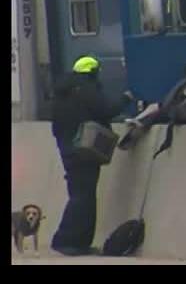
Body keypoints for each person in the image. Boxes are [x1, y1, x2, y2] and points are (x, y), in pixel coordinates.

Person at [50, 55, 127, 256]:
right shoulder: (87, 90)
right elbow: (106, 110)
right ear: (92, 73)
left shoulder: (61, 92)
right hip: (84, 151)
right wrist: (126, 99)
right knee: (83, 197)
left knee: (81, 194)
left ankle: (80, 243)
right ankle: (65, 240)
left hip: (67, 149)